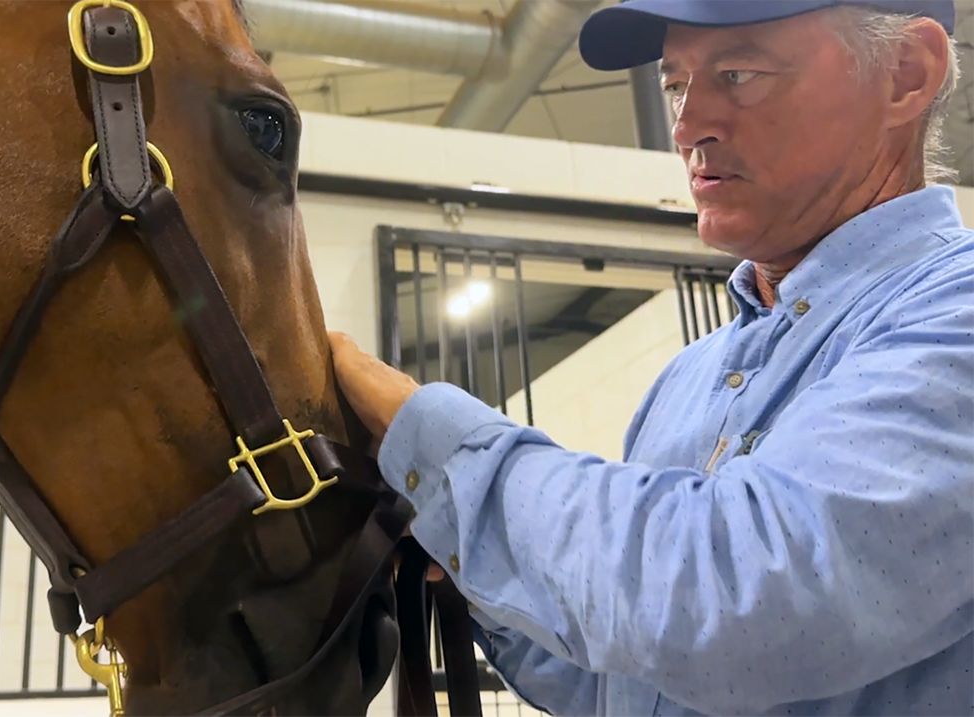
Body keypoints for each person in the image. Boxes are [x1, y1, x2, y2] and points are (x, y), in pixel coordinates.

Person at [328, 0, 973, 714]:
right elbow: (620, 680)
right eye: (676, 83)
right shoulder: (690, 377)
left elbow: (736, 604)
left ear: (906, 75)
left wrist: (434, 445)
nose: (690, 124)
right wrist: (456, 555)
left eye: (739, 72)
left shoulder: (955, 315)